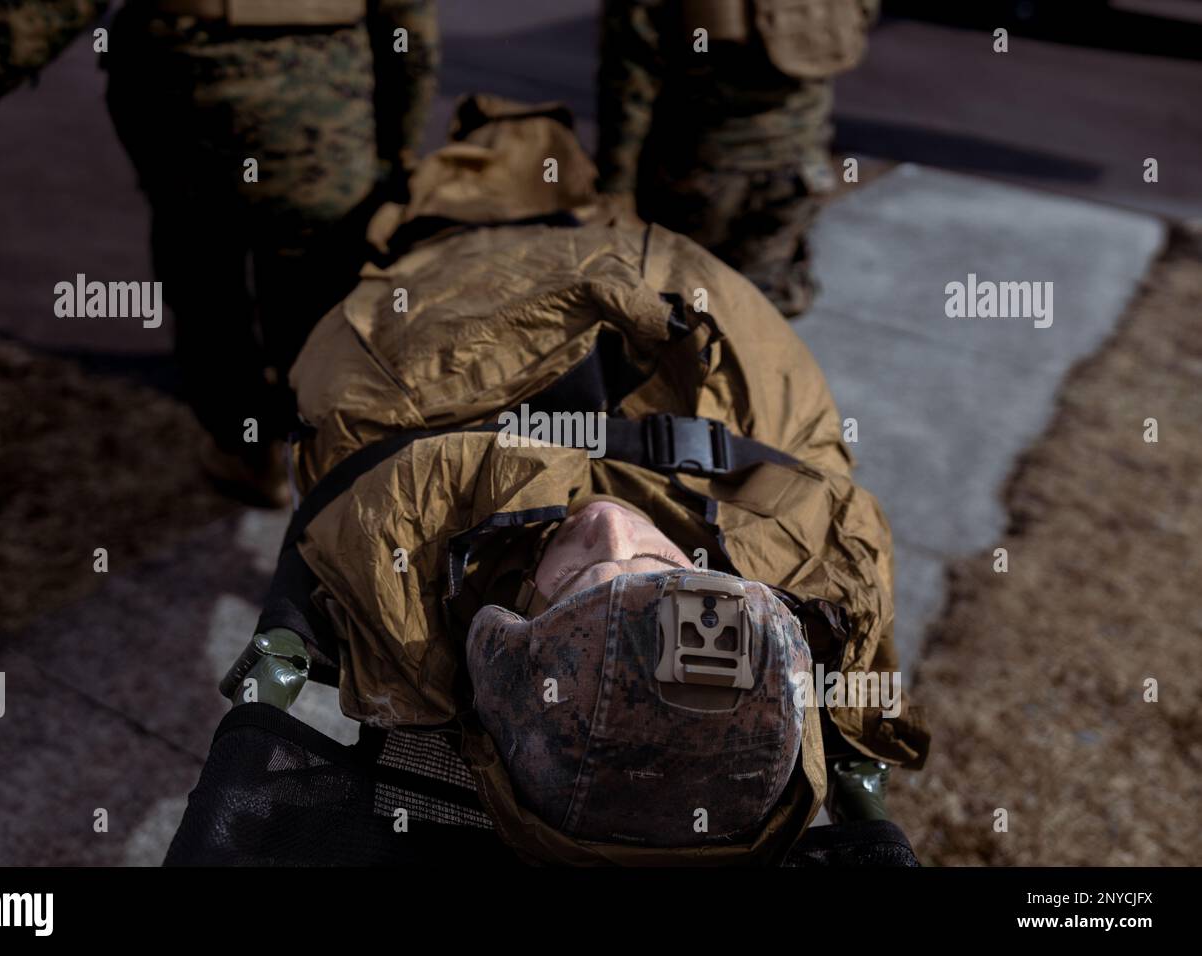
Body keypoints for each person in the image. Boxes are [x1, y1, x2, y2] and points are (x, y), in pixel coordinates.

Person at [254, 95, 928, 863]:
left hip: (460, 264)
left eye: (576, 578)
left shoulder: (401, 529)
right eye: (664, 566)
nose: (610, 524)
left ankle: (497, 138)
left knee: (480, 174)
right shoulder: (814, 544)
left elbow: (370, 401)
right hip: (616, 268)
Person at [0, 0, 439, 505]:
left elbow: (26, 13)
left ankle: (247, 453)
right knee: (318, 294)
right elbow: (408, 25)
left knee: (204, 279)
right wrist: (398, 150)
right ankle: (326, 476)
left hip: (184, 102)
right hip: (327, 113)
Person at [595, 0, 879, 318]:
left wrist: (615, 188)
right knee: (763, 305)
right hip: (799, 167)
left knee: (681, 308)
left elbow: (630, 81)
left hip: (699, 172)